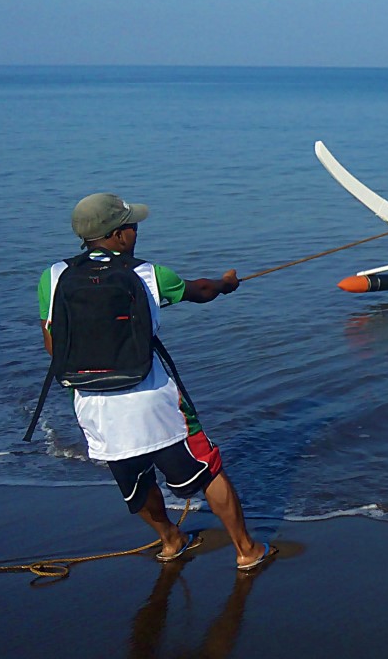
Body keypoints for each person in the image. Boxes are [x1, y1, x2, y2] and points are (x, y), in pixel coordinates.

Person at [38, 192, 274, 571]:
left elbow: (53, 345)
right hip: (152, 398)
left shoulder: (54, 276)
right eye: (131, 226)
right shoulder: (146, 274)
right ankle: (246, 550)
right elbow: (202, 291)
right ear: (117, 235)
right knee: (207, 467)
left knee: (132, 477)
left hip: (94, 406)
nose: (135, 231)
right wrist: (227, 282)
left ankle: (170, 540)